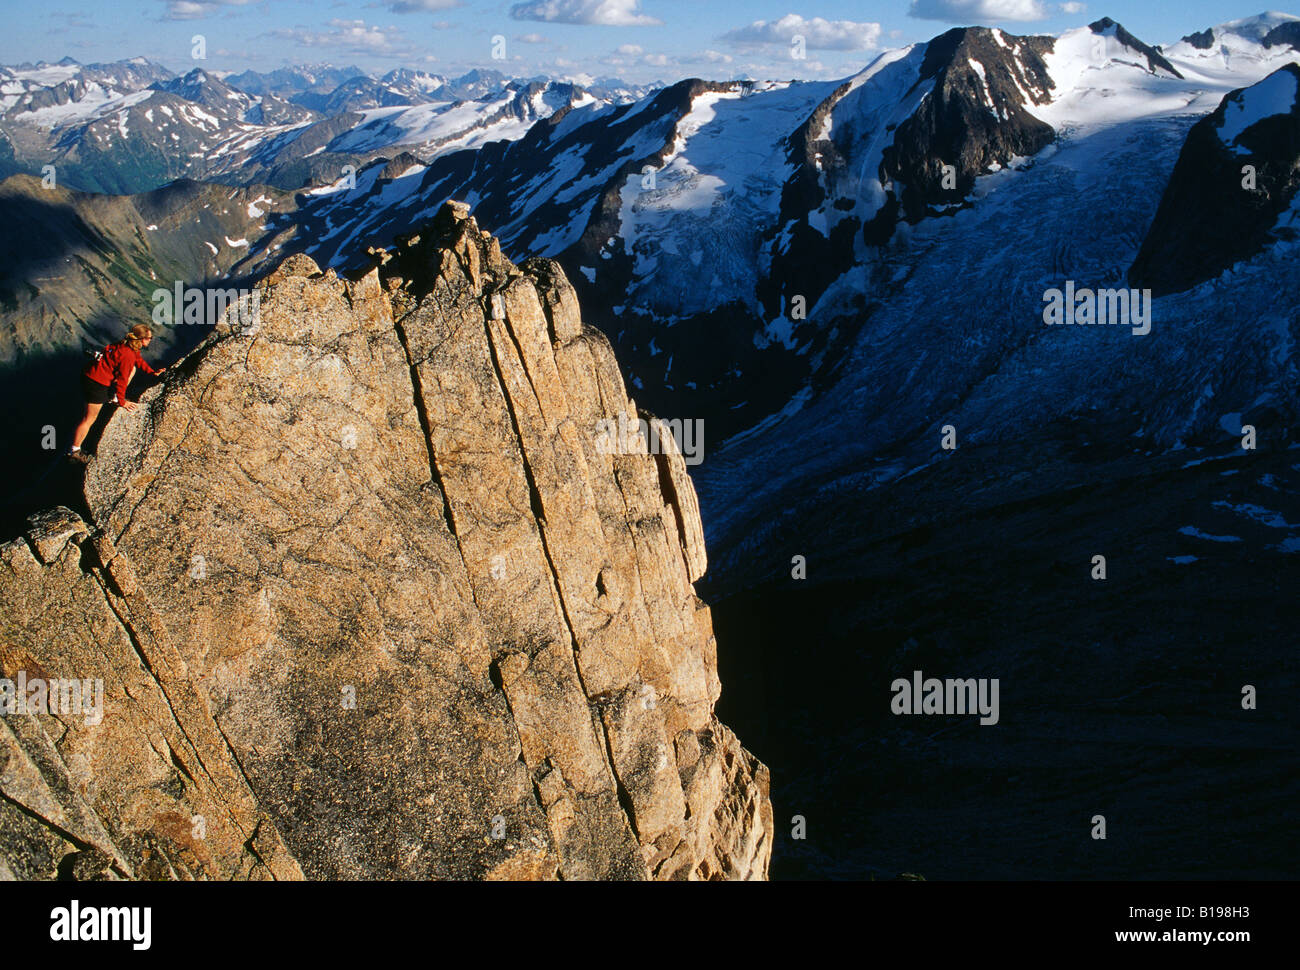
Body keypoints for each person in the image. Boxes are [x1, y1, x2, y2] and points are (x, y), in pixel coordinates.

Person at [68, 324, 167, 463]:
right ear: (142, 339)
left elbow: (138, 361)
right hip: (96, 382)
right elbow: (122, 380)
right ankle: (74, 451)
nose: (151, 339)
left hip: (94, 375)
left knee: (133, 369)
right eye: (149, 337)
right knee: (89, 418)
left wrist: (152, 372)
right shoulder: (127, 355)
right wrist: (122, 402)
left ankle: (113, 396)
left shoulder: (127, 346)